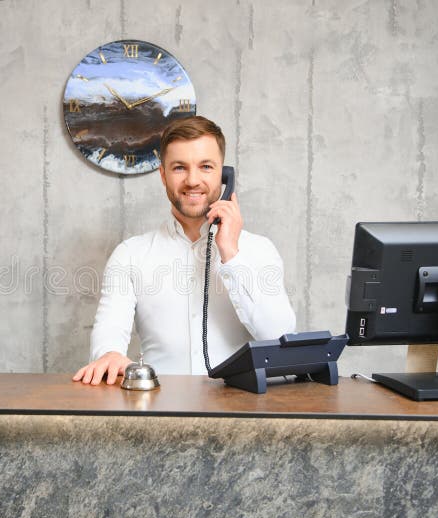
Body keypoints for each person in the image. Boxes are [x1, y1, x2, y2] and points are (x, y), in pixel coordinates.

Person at [72, 116, 296, 385]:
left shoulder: (259, 250)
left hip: (240, 414)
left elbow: (280, 336)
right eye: (179, 168)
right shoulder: (130, 254)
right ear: (163, 175)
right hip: (160, 412)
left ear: (223, 174)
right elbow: (110, 331)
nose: (193, 180)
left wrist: (231, 254)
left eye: (206, 167)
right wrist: (109, 354)